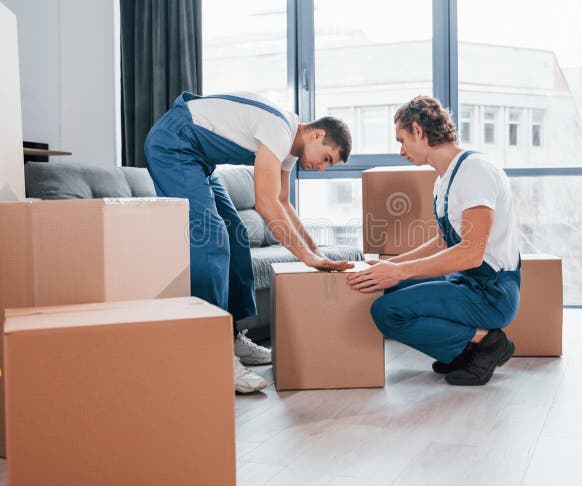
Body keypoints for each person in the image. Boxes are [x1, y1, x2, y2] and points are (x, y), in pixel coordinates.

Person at [145, 91, 354, 393]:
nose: (322, 168)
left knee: (236, 235)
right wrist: (306, 259)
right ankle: (214, 354)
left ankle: (231, 337)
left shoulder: (290, 148)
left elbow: (284, 202)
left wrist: (315, 251)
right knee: (211, 239)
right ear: (318, 134)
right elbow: (266, 204)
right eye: (326, 159)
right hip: (172, 145)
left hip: (199, 160)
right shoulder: (279, 129)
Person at [348, 95, 521, 386]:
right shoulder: (443, 181)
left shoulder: (475, 171)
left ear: (418, 130)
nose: (401, 151)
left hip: (491, 293)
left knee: (386, 312)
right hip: (467, 282)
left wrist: (400, 271)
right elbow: (443, 242)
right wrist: (386, 266)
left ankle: (486, 342)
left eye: (401, 140)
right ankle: (465, 350)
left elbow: (470, 254)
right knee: (386, 288)